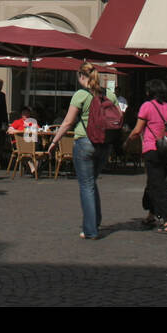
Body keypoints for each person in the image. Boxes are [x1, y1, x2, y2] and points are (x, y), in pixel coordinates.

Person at [47, 63, 116, 239]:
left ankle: (90, 229)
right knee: (91, 182)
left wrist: (55, 140)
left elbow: (68, 122)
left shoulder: (81, 95)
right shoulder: (109, 95)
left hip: (85, 142)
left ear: (82, 77)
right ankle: (96, 221)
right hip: (105, 144)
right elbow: (117, 118)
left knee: (86, 185)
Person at [127, 78, 167, 234]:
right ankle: (151, 214)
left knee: (158, 186)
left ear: (150, 92)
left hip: (152, 149)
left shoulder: (147, 107)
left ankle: (166, 220)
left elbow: (137, 130)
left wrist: (127, 141)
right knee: (154, 181)